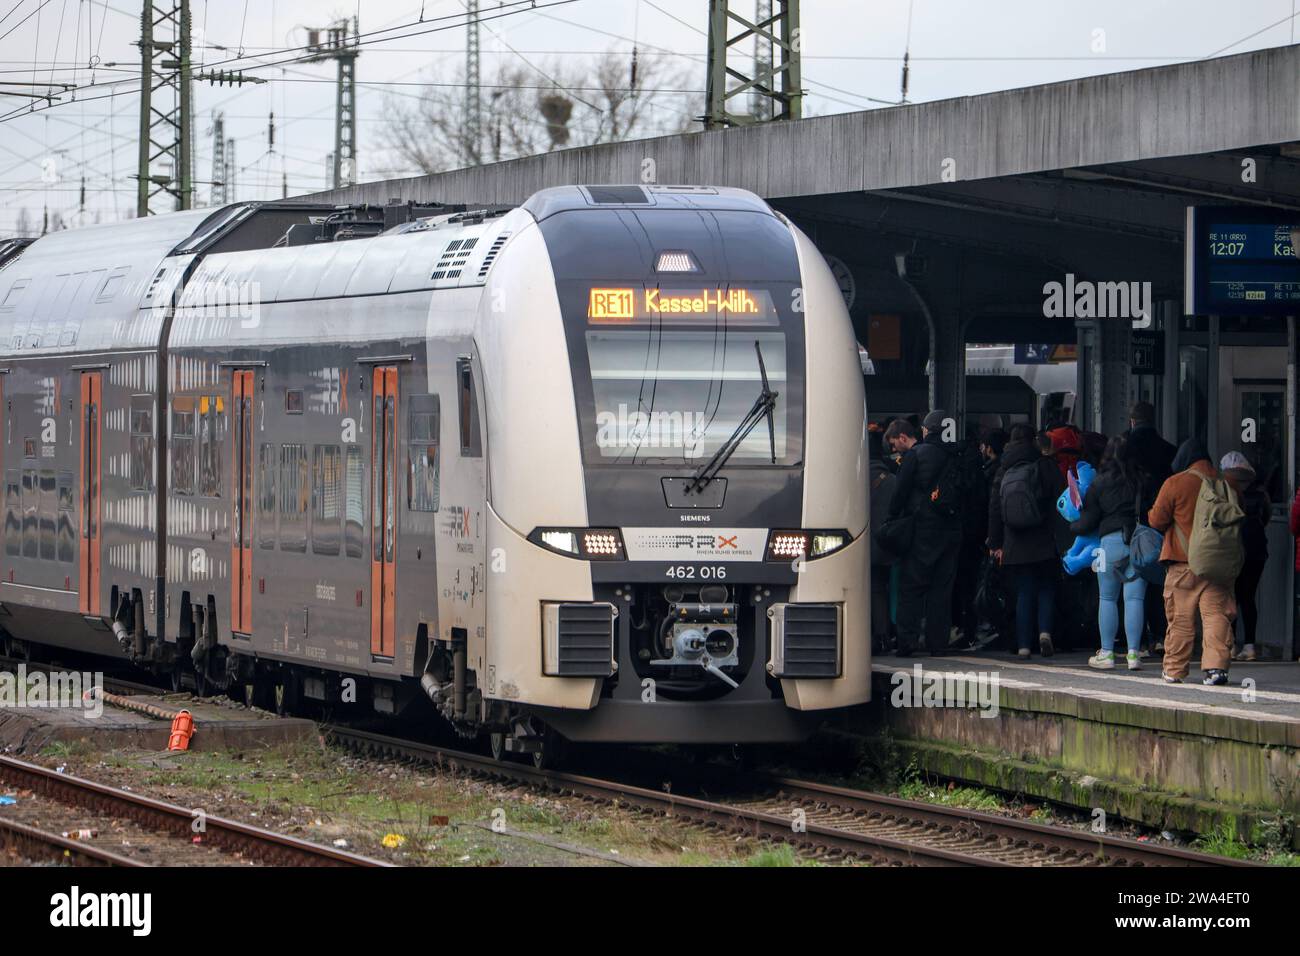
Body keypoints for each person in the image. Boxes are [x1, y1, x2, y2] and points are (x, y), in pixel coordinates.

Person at [1148, 438, 1238, 685]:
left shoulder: (1176, 483)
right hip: (1217, 565)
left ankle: (1175, 670)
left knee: (1181, 619)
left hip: (1183, 564)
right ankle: (1216, 670)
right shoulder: (1224, 483)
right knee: (1216, 616)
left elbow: (1156, 520)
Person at [987, 422, 1066, 658]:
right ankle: (1044, 634)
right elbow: (1062, 502)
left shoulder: (1004, 469)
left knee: (1024, 591)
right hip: (1043, 538)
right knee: (1046, 588)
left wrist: (995, 544)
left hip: (1015, 541)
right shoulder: (1045, 465)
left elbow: (994, 508)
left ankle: (1023, 645)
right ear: (1033, 440)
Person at [889, 409, 963, 656]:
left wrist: (892, 518)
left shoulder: (917, 455)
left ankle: (907, 642)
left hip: (922, 529)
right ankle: (937, 643)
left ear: (927, 430)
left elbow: (900, 492)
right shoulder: (960, 455)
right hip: (951, 529)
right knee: (941, 589)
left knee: (912, 586)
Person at [1071, 438, 1145, 670]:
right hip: (1137, 543)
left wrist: (1073, 526)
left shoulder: (1099, 483)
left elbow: (1088, 522)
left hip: (1108, 545)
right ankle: (1134, 654)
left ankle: (1107, 653)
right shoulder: (1142, 480)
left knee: (1107, 598)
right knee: (1134, 599)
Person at [1125, 401, 1176, 654]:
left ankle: (1138, 641)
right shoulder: (1169, 451)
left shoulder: (1124, 450)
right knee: (1159, 580)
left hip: (1133, 524)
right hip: (1163, 523)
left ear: (1132, 421)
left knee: (1134, 584)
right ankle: (1160, 634)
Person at [1221, 451, 1268, 662]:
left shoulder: (1225, 492)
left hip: (1233, 548)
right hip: (1257, 549)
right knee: (1248, 597)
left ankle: (1230, 644)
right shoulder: (1259, 492)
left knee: (1230, 596)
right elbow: (1265, 517)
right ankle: (1250, 645)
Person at [868, 427, 899, 654]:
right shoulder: (892, 480)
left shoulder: (850, 479)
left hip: (857, 546)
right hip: (888, 545)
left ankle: (872, 636)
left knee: (870, 590)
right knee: (885, 589)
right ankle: (886, 635)